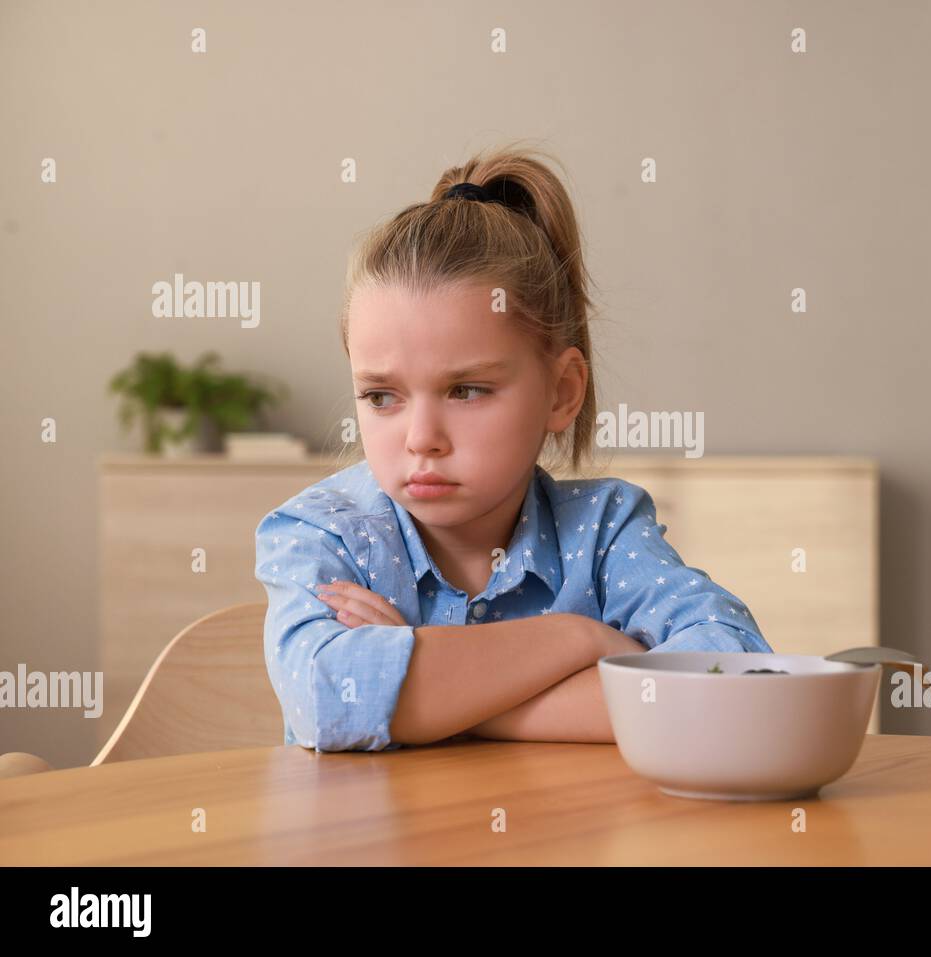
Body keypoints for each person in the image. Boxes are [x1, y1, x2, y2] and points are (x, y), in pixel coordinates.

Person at [253, 144, 771, 753]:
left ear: (561, 391)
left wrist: (430, 694)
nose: (421, 439)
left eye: (466, 390)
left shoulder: (604, 530)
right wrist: (579, 640)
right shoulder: (321, 534)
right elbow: (328, 700)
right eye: (381, 396)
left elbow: (730, 680)